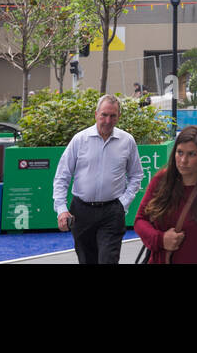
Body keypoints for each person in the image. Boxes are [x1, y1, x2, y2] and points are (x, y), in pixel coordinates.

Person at [53, 94, 145, 264]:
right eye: (104, 115)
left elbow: (136, 175)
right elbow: (62, 175)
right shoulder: (80, 140)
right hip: (81, 212)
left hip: (112, 212)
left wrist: (123, 203)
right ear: (96, 114)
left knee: (108, 260)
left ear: (119, 117)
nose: (108, 120)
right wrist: (61, 209)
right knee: (87, 260)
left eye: (113, 116)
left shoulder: (127, 141)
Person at [134, 125, 197, 264]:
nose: (183, 161)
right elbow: (140, 220)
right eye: (180, 152)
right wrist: (160, 239)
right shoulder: (162, 181)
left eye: (192, 154)